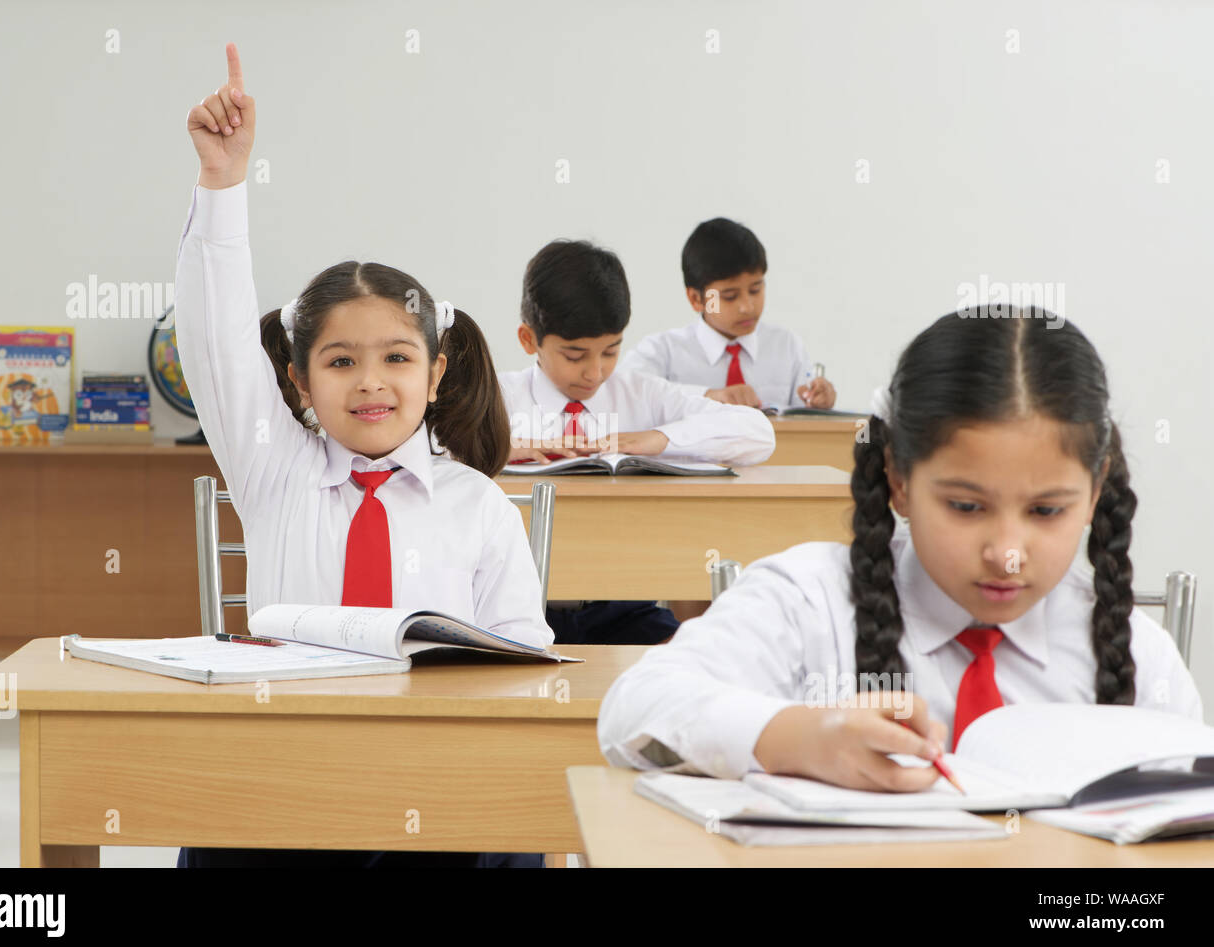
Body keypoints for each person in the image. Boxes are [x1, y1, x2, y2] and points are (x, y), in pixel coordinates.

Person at [174, 43, 549, 866]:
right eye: (340, 361)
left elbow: (525, 664)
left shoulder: (476, 504)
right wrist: (224, 183)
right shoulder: (276, 469)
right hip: (290, 776)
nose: (370, 383)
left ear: (436, 370)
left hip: (435, 785)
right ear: (299, 382)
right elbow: (214, 346)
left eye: (396, 358)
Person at [598, 308, 1201, 788]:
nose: (1006, 553)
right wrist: (800, 737)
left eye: (1046, 511)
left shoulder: (1139, 656)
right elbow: (633, 711)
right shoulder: (809, 602)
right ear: (899, 483)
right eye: (966, 507)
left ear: (1095, 494)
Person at [499, 238, 774, 644]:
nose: (595, 373)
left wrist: (658, 438)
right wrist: (489, 447)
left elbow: (757, 433)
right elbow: (423, 443)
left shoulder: (640, 394)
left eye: (610, 351)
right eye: (575, 356)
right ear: (529, 340)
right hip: (518, 606)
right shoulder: (496, 398)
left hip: (620, 604)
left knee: (692, 659)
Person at [620, 217, 836, 411]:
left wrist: (820, 401)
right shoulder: (664, 351)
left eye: (755, 290)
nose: (747, 306)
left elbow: (806, 417)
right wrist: (707, 396)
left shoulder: (786, 346)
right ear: (696, 299)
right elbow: (627, 392)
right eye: (730, 296)